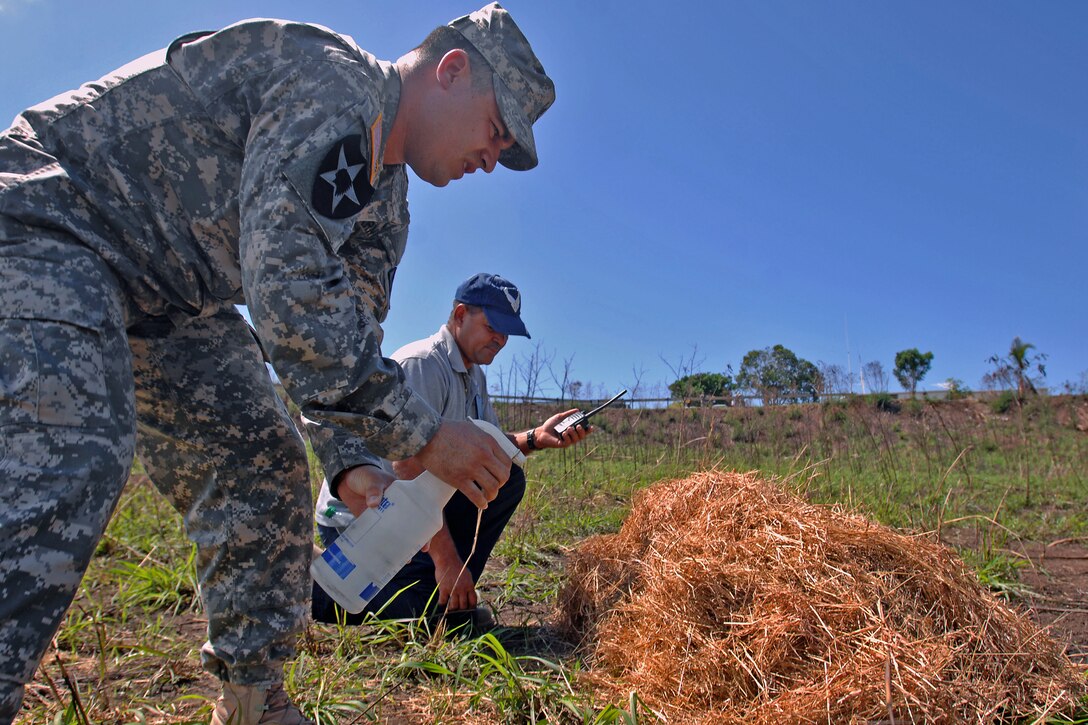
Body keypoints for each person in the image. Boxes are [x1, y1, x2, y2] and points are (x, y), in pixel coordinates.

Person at [0, 4, 554, 723]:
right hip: (62, 220)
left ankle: (253, 698)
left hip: (171, 295)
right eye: (495, 129)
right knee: (75, 446)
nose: (491, 157)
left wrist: (354, 459)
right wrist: (420, 434)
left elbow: (342, 334)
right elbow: (289, 285)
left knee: (262, 456)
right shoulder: (334, 83)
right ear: (451, 70)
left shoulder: (386, 209)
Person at [312, 273, 590, 628]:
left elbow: (485, 446)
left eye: (507, 332)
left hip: (410, 518)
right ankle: (321, 590)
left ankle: (442, 598)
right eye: (493, 327)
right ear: (460, 315)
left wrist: (537, 436)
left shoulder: (473, 374)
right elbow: (406, 463)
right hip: (362, 517)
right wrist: (446, 560)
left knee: (506, 478)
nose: (501, 340)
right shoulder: (423, 363)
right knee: (413, 614)